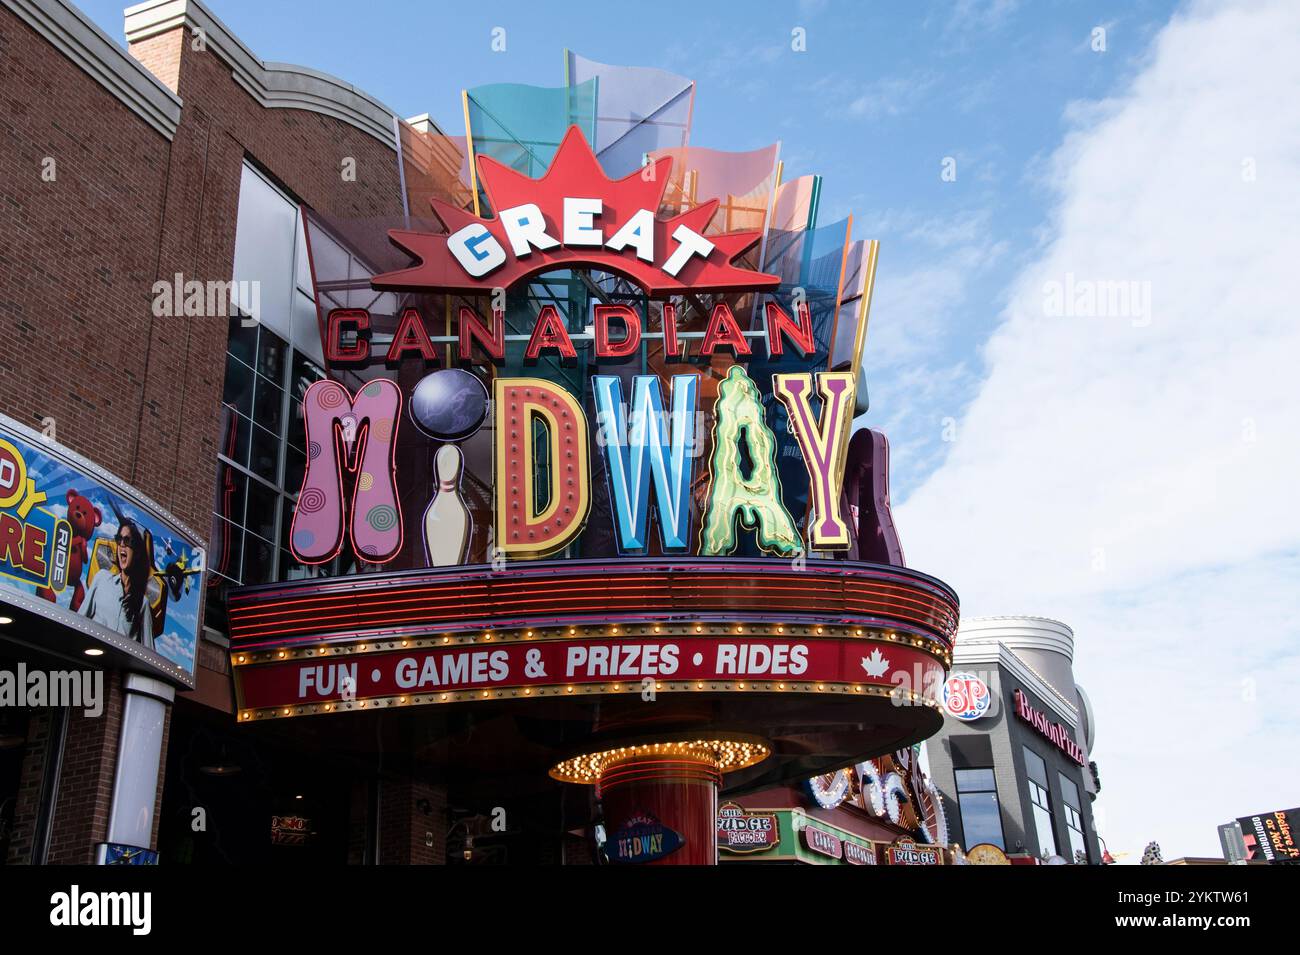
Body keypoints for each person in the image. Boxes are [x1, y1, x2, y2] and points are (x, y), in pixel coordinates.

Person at [80, 519, 154, 650]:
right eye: (119, 539)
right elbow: (80, 619)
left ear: (137, 552)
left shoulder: (143, 603)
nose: (121, 545)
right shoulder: (101, 578)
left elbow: (149, 652)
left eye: (127, 541)